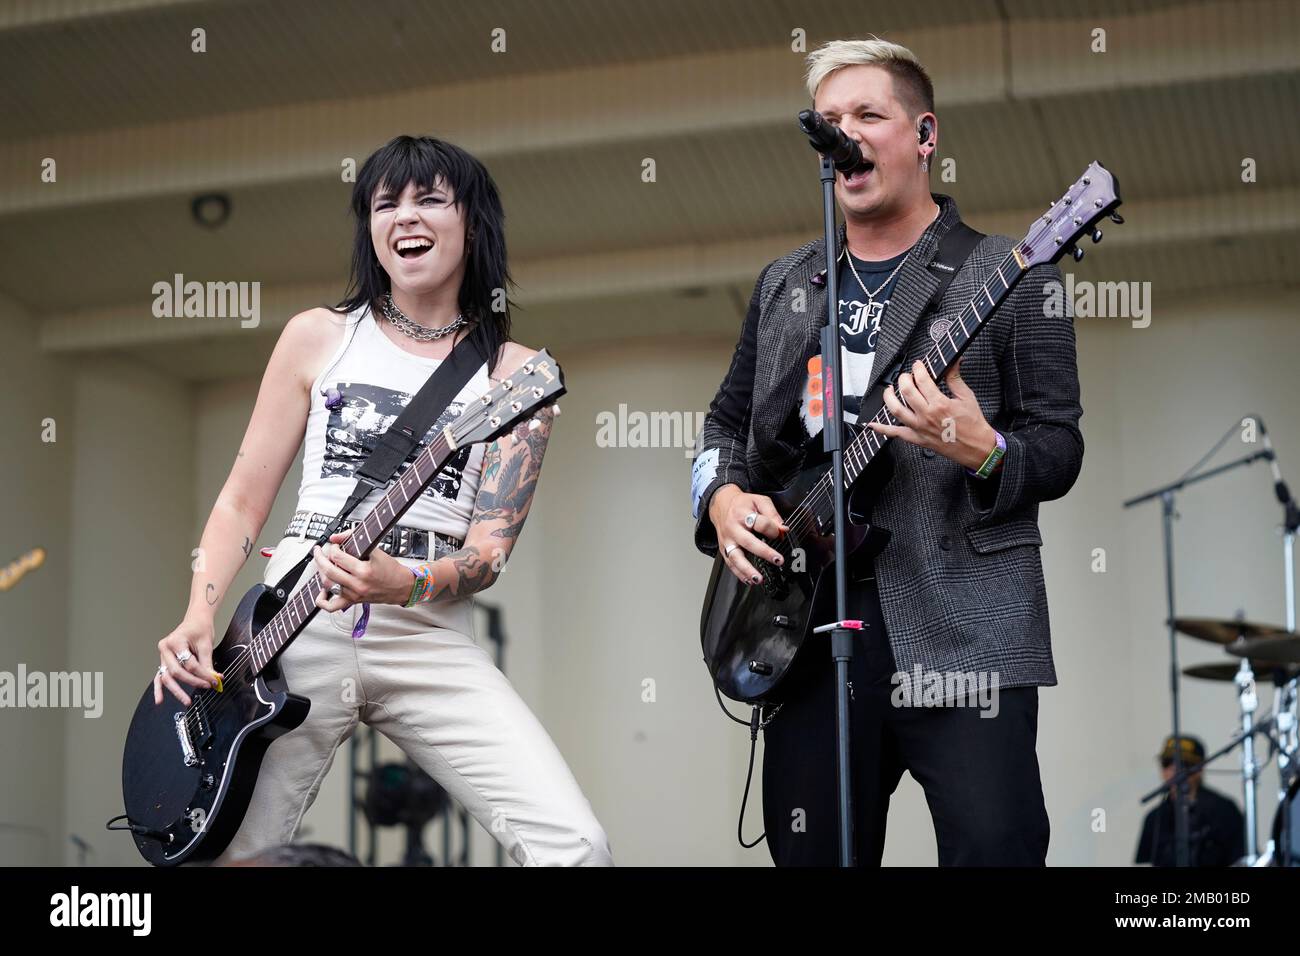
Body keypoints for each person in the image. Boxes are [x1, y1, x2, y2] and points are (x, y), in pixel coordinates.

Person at [153, 135, 612, 867]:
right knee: (231, 855)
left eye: (430, 198)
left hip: (426, 630)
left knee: (576, 846)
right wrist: (199, 611)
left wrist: (407, 583)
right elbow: (242, 501)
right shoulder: (318, 336)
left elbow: (489, 552)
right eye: (385, 202)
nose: (406, 216)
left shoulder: (516, 375)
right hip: (290, 628)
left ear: (474, 222)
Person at [692, 37, 1083, 866]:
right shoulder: (785, 284)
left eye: (869, 115)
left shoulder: (1012, 277)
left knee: (997, 851)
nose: (846, 135)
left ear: (925, 135)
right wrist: (722, 499)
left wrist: (984, 450)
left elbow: (1060, 447)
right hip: (807, 626)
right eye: (829, 121)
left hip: (965, 627)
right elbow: (724, 428)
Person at [1135, 736, 1245, 867]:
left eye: (1183, 763)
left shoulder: (1224, 810)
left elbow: (1241, 860)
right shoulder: (1154, 818)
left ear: (1199, 768)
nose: (1173, 770)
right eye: (1167, 762)